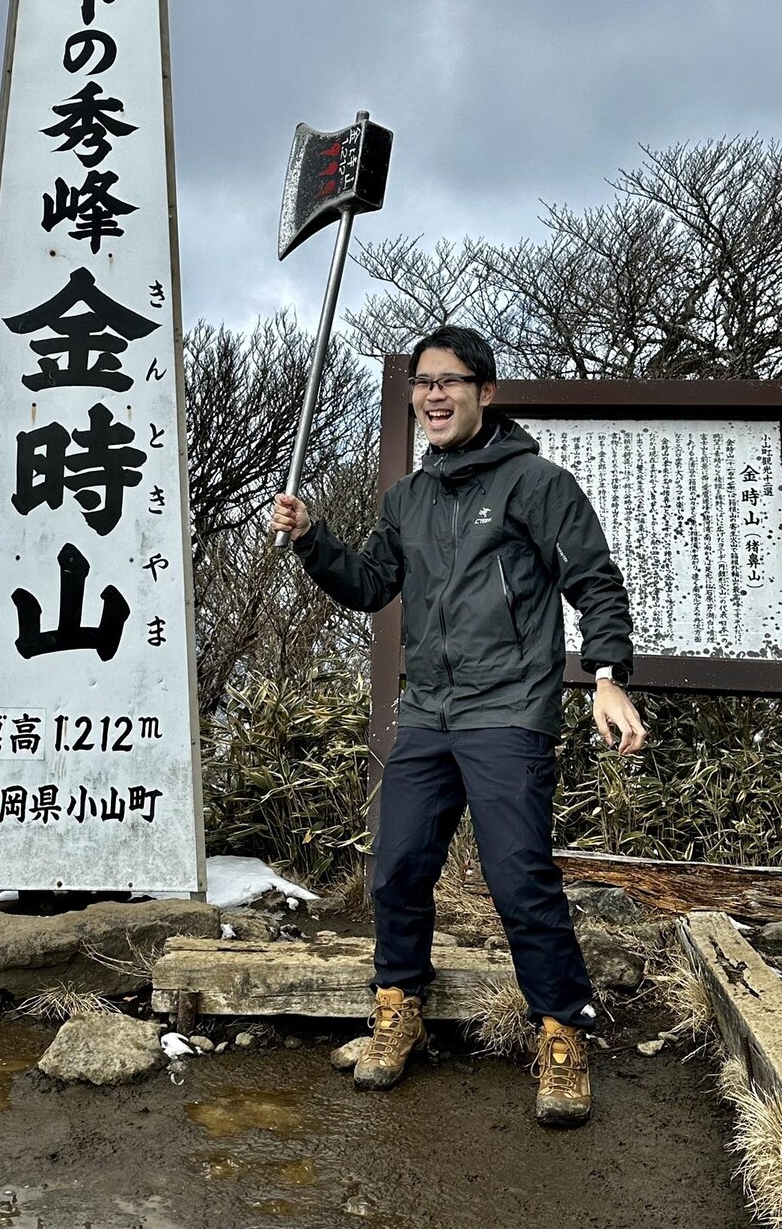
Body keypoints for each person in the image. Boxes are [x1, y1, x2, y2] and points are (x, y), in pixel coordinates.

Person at [270, 325, 646, 1127]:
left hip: (508, 708)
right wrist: (311, 539)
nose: (432, 394)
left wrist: (607, 676)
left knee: (517, 877)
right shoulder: (406, 496)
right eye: (421, 381)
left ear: (485, 391)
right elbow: (371, 585)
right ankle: (397, 1007)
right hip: (429, 712)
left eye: (450, 380)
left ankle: (560, 1032)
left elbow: (593, 580)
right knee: (396, 865)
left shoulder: (536, 483)